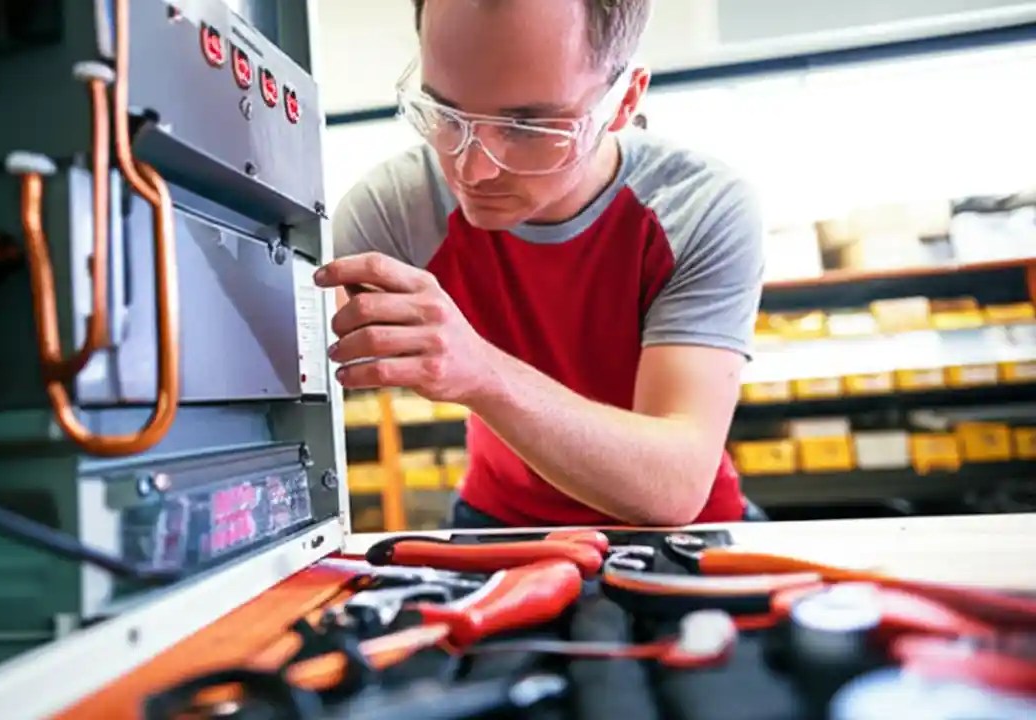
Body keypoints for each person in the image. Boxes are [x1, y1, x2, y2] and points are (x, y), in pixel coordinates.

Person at [314, 0, 765, 529]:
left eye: (528, 128)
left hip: (683, 534)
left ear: (624, 100)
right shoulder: (394, 212)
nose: (472, 170)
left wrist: (481, 372)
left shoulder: (699, 209)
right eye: (446, 114)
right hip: (500, 520)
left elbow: (674, 484)